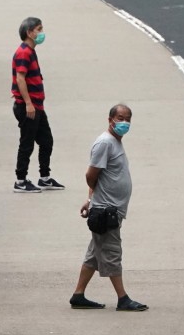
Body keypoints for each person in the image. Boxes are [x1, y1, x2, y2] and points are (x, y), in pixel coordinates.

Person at [70, 103, 148, 312]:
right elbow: (91, 175)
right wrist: (95, 201)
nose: (124, 122)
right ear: (110, 119)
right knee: (112, 254)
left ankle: (78, 295)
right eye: (120, 118)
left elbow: (101, 177)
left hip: (107, 208)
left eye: (128, 119)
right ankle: (123, 298)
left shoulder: (115, 142)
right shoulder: (105, 143)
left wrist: (90, 199)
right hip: (106, 211)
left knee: (94, 255)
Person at [11, 16, 64, 193]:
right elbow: (20, 78)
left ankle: (44, 177)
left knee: (46, 141)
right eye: (39, 29)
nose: (42, 33)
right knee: (27, 143)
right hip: (29, 107)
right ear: (29, 32)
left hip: (37, 106)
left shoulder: (30, 51)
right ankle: (20, 180)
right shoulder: (23, 53)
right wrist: (28, 103)